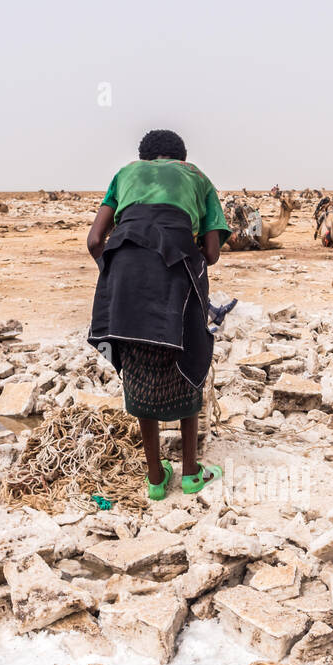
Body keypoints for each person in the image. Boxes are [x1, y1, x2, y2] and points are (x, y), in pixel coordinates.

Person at [87, 130, 230, 501]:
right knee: (188, 360)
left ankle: (154, 478)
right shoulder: (196, 176)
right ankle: (190, 473)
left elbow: (93, 241)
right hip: (176, 275)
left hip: (124, 281)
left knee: (137, 363)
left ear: (145, 159)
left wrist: (117, 272)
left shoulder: (124, 174)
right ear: (181, 157)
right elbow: (212, 252)